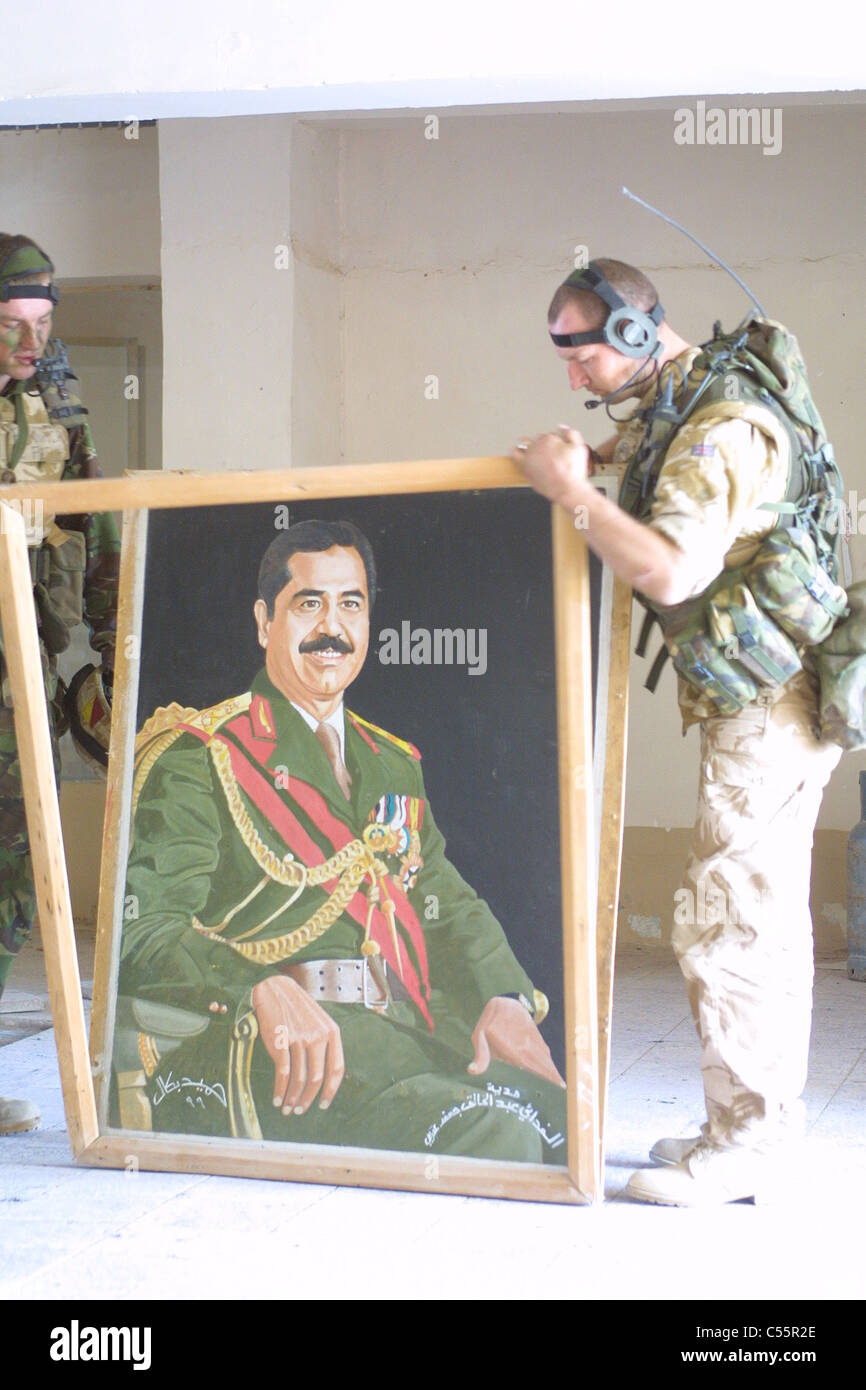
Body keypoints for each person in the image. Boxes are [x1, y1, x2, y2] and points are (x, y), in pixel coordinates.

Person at [514, 258, 842, 1205]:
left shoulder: (721, 427)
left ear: (631, 336)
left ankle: (748, 1147)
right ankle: (736, 1124)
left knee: (737, 919)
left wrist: (574, 495)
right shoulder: (685, 405)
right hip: (759, 699)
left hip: (772, 706)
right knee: (745, 910)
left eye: (582, 355)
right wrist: (587, 472)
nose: (573, 376)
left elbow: (669, 571)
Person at [115, 520, 567, 1162]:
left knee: (566, 1128)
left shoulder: (393, 760)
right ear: (264, 621)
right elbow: (143, 931)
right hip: (287, 1050)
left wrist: (504, 996)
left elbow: (443, 898)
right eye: (309, 604)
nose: (332, 626)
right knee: (499, 1135)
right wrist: (260, 988)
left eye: (350, 604)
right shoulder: (204, 755)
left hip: (406, 1027)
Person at [0, 234, 119, 1135]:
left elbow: (97, 536)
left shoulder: (58, 414)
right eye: (10, 327)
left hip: (18, 674)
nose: (28, 348)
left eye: (41, 326)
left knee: (9, 867)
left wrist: (117, 651)